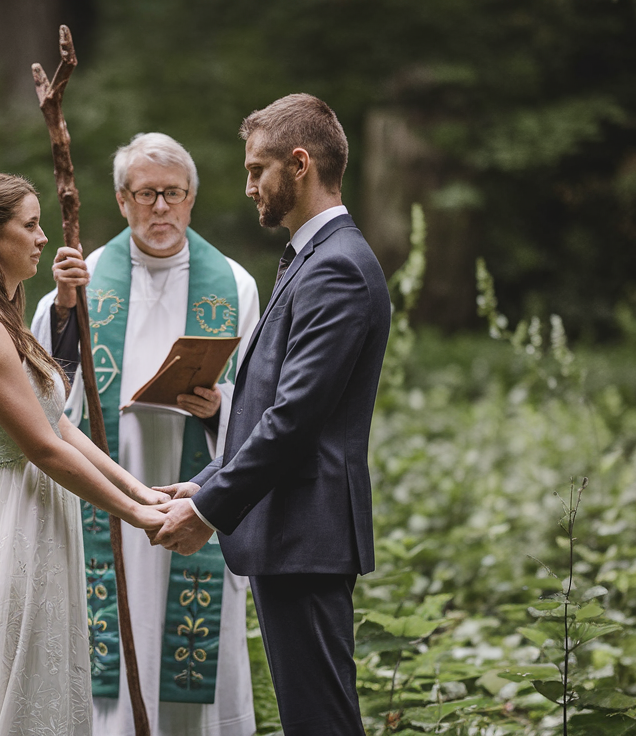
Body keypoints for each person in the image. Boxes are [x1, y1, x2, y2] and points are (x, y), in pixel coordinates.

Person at [150, 94, 392, 736]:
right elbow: (271, 408)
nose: (249, 185)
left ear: (301, 164)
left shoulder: (337, 267)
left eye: (258, 169)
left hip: (306, 536)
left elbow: (294, 420)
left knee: (322, 722)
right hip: (291, 532)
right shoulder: (312, 258)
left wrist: (206, 511)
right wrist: (208, 481)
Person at [0, 171, 169, 736]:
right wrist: (139, 519)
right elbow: (44, 450)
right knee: (14, 686)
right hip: (15, 520)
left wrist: (141, 491)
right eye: (29, 226)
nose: (42, 238)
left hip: (34, 512)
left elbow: (60, 427)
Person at [31, 133, 260, 736]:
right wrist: (61, 308)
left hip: (195, 491)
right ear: (121, 199)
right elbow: (45, 392)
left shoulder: (233, 284)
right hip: (109, 498)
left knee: (192, 663)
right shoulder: (86, 279)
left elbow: (261, 404)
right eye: (146, 194)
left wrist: (216, 409)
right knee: (109, 646)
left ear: (191, 200)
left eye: (173, 194)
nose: (160, 207)